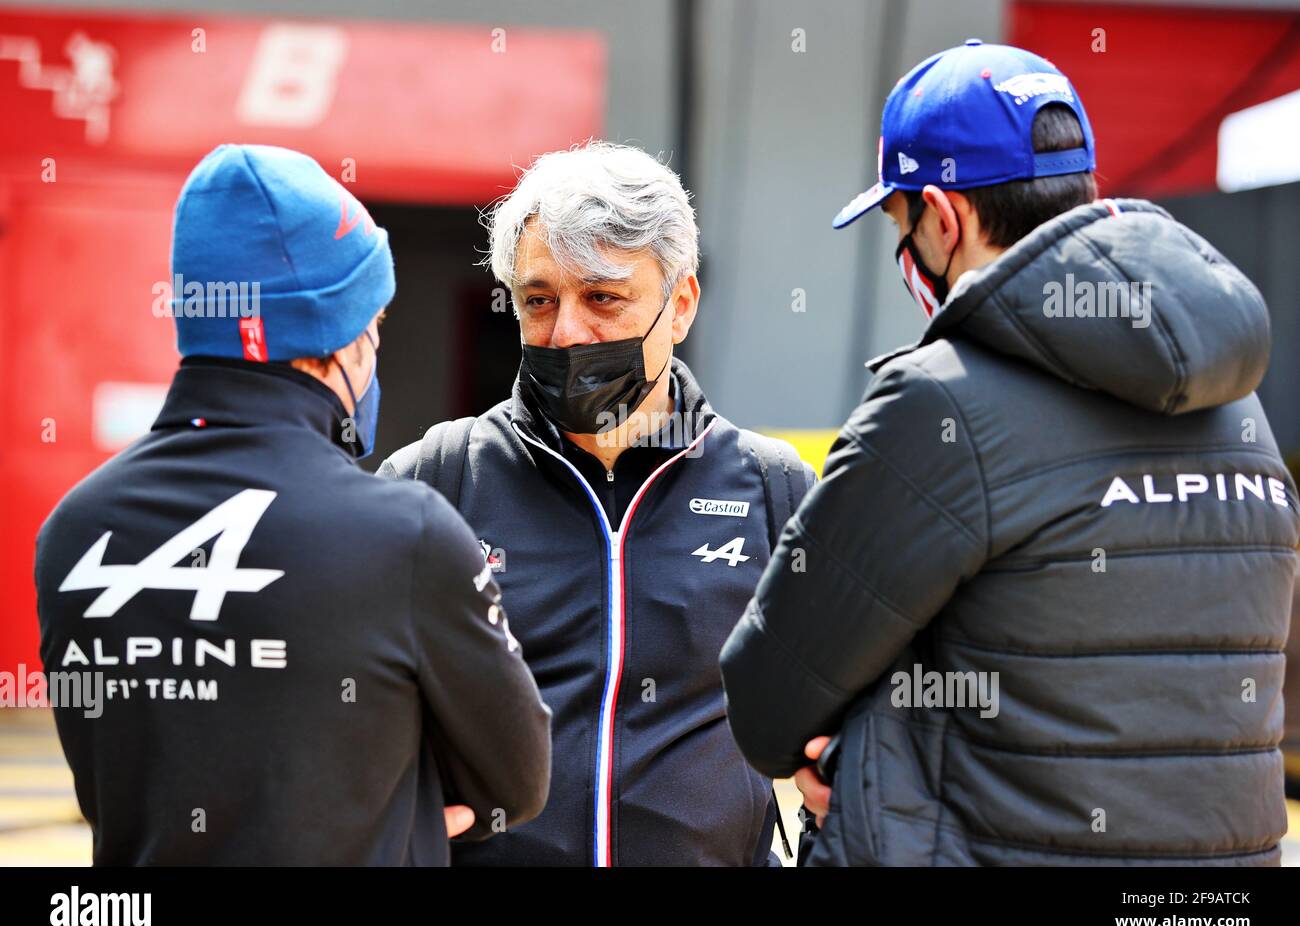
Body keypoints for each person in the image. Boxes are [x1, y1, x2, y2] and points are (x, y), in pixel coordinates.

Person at [720, 41, 1299, 866]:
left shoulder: (939, 403)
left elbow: (770, 704)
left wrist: (864, 754)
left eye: (900, 225)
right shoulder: (1235, 400)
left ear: (943, 217)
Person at [34, 144, 551, 865]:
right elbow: (515, 783)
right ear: (330, 340)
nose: (374, 350)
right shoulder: (407, 536)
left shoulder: (73, 530)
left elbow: (125, 778)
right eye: (372, 324)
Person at [379, 142, 814, 866]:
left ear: (680, 306)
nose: (567, 332)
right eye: (539, 300)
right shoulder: (436, 481)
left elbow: (850, 735)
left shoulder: (773, 490)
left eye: (602, 297)